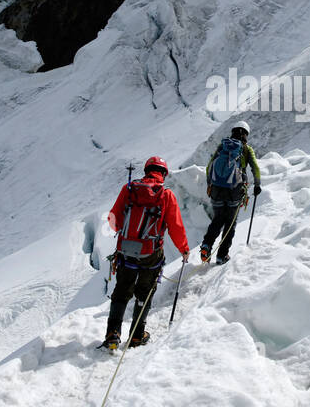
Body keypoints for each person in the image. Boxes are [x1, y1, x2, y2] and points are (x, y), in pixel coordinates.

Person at [101, 156, 189, 351]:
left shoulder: (129, 189)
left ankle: (112, 334)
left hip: (126, 251)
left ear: (147, 170)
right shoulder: (166, 195)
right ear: (163, 174)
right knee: (144, 293)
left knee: (121, 292)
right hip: (151, 254)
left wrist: (127, 231)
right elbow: (175, 226)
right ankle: (136, 336)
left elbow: (113, 218)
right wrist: (183, 249)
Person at [200, 121, 261, 265]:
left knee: (218, 219)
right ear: (246, 134)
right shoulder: (246, 149)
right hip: (235, 192)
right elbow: (255, 169)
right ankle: (222, 255)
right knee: (230, 223)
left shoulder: (223, 146)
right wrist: (257, 185)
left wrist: (210, 184)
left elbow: (210, 167)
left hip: (216, 190)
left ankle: (206, 246)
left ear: (233, 131)